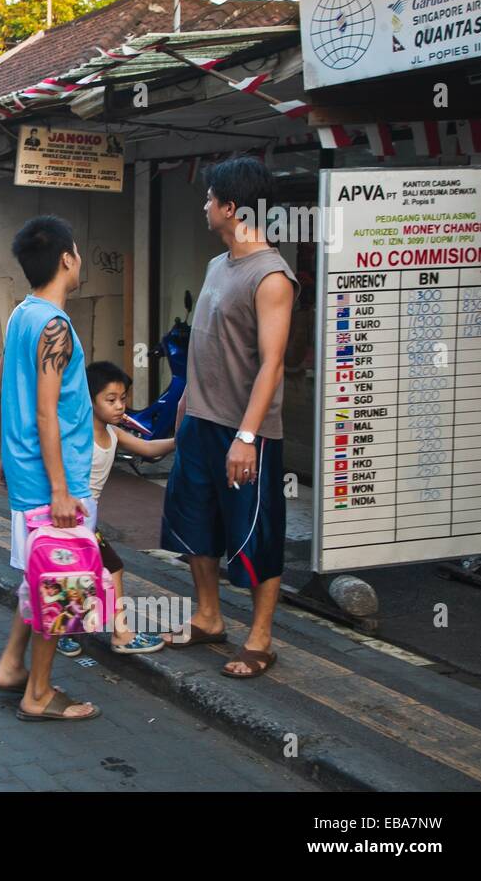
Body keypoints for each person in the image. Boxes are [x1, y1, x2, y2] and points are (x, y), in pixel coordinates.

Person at [160, 157, 297, 679]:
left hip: (247, 431)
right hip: (200, 419)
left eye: (209, 197)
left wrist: (246, 436)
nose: (204, 206)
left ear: (231, 208)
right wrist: (185, 401)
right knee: (195, 523)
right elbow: (207, 343)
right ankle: (209, 616)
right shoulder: (218, 265)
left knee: (256, 532)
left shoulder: (271, 276)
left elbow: (272, 363)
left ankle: (260, 638)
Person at [0, 215, 99, 722]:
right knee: (62, 581)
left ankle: (12, 665)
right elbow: (46, 411)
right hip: (58, 479)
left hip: (28, 470)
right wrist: (60, 488)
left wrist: (8, 458)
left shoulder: (20, 316)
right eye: (77, 252)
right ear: (66, 258)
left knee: (40, 575)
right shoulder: (54, 325)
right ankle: (39, 692)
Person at [76, 360, 174, 657]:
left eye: (123, 399)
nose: (120, 406)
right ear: (89, 400)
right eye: (110, 400)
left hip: (87, 522)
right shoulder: (78, 435)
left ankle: (70, 634)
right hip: (73, 521)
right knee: (108, 568)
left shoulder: (114, 433)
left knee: (85, 575)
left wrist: (183, 440)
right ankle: (120, 634)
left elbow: (149, 449)